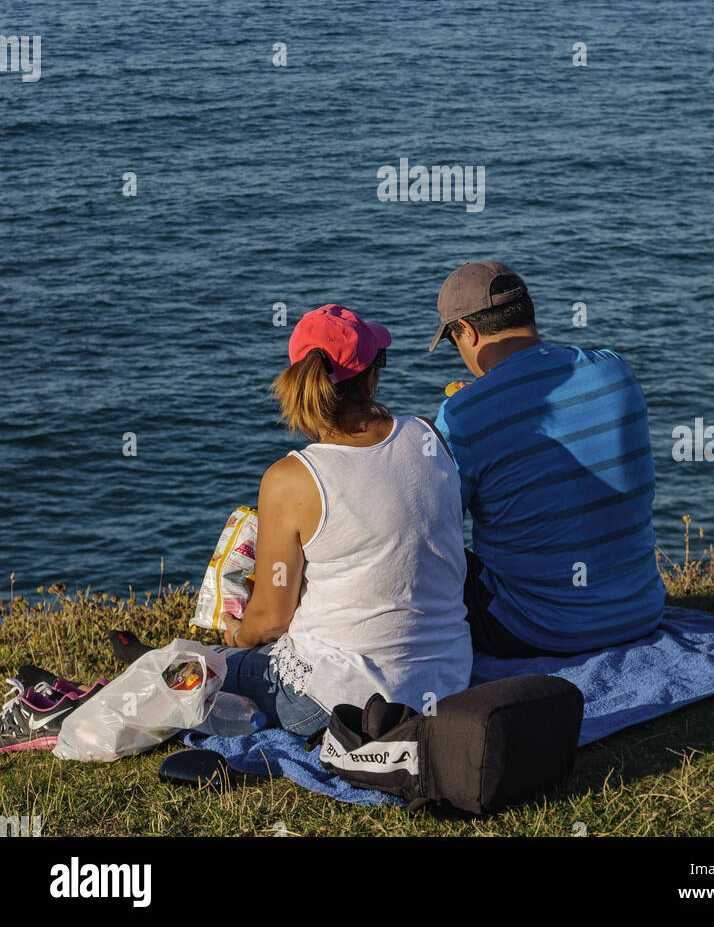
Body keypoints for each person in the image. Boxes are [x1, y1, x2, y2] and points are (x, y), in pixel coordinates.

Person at [208, 304, 473, 736]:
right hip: (445, 682)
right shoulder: (427, 436)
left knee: (207, 667)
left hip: (339, 703)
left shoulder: (291, 479)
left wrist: (237, 636)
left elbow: (272, 621)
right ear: (371, 377)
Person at [430, 260, 666, 658]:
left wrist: (472, 414)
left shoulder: (463, 415)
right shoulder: (615, 369)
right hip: (642, 611)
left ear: (466, 332)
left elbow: (440, 526)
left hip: (535, 632)